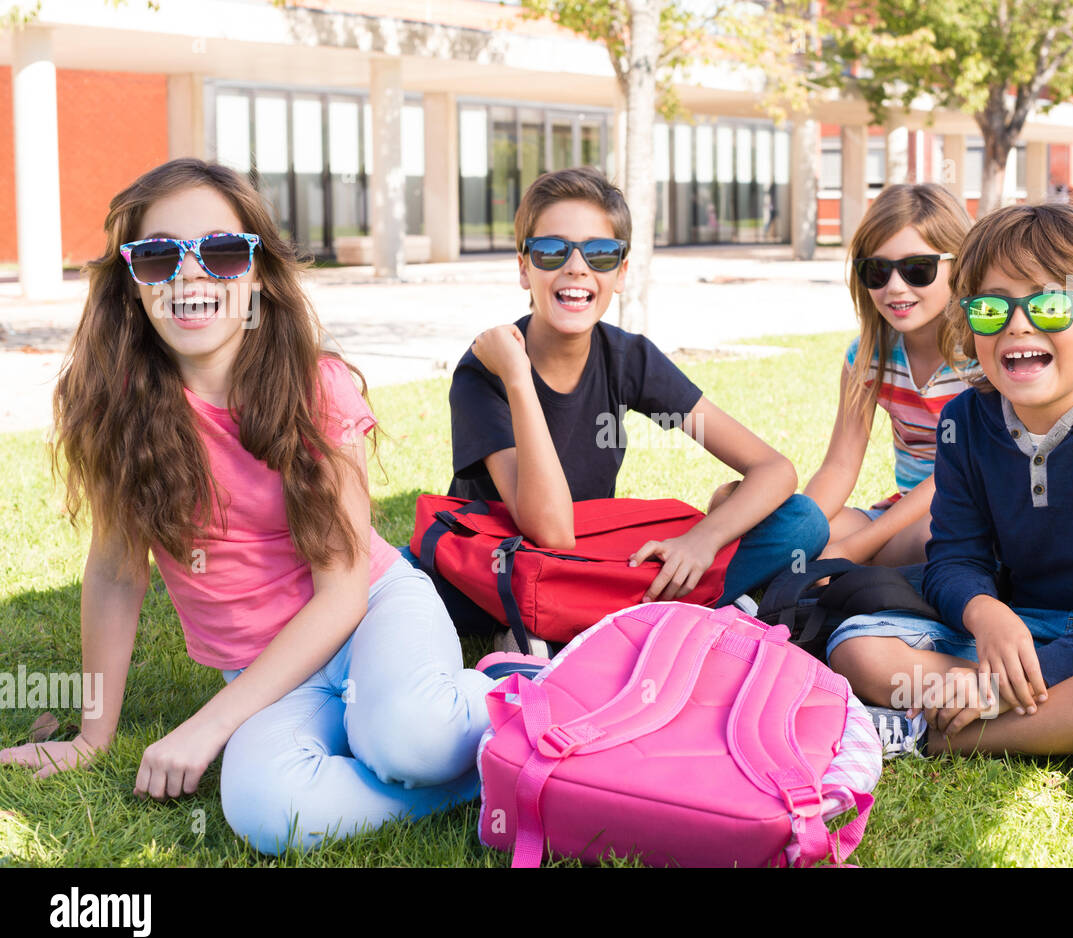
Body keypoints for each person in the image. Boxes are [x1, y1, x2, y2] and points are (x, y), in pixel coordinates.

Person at [0, 158, 494, 854]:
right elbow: (116, 574)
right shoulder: (118, 410)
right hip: (266, 669)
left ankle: (501, 698)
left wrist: (207, 726)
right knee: (266, 806)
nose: (190, 276)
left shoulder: (313, 388)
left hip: (372, 611)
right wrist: (92, 734)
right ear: (132, 279)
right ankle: (470, 771)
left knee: (412, 737)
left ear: (257, 274)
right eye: (159, 255)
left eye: (223, 253)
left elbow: (345, 587)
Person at [823, 203, 1073, 796]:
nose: (1017, 326)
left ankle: (934, 735)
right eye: (992, 308)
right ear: (969, 323)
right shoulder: (965, 419)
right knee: (860, 649)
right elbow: (955, 560)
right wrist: (983, 612)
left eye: (1048, 304)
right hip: (1018, 627)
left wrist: (1006, 685)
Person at [444, 166, 828, 614]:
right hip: (509, 559)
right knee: (428, 576)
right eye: (551, 251)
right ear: (525, 268)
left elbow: (774, 469)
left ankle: (594, 613)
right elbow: (549, 530)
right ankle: (642, 608)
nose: (575, 268)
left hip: (599, 557)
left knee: (801, 522)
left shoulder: (627, 357)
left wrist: (702, 542)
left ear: (621, 273)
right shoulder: (486, 369)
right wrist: (516, 378)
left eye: (600, 254)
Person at [804, 183, 973, 568]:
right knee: (744, 505)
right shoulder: (867, 358)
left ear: (961, 265)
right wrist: (797, 527)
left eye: (918, 269)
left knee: (932, 538)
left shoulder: (984, 359)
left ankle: (856, 565)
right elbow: (839, 467)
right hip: (896, 518)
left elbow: (950, 479)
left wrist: (855, 547)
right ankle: (856, 562)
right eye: (877, 270)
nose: (895, 287)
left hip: (962, 521)